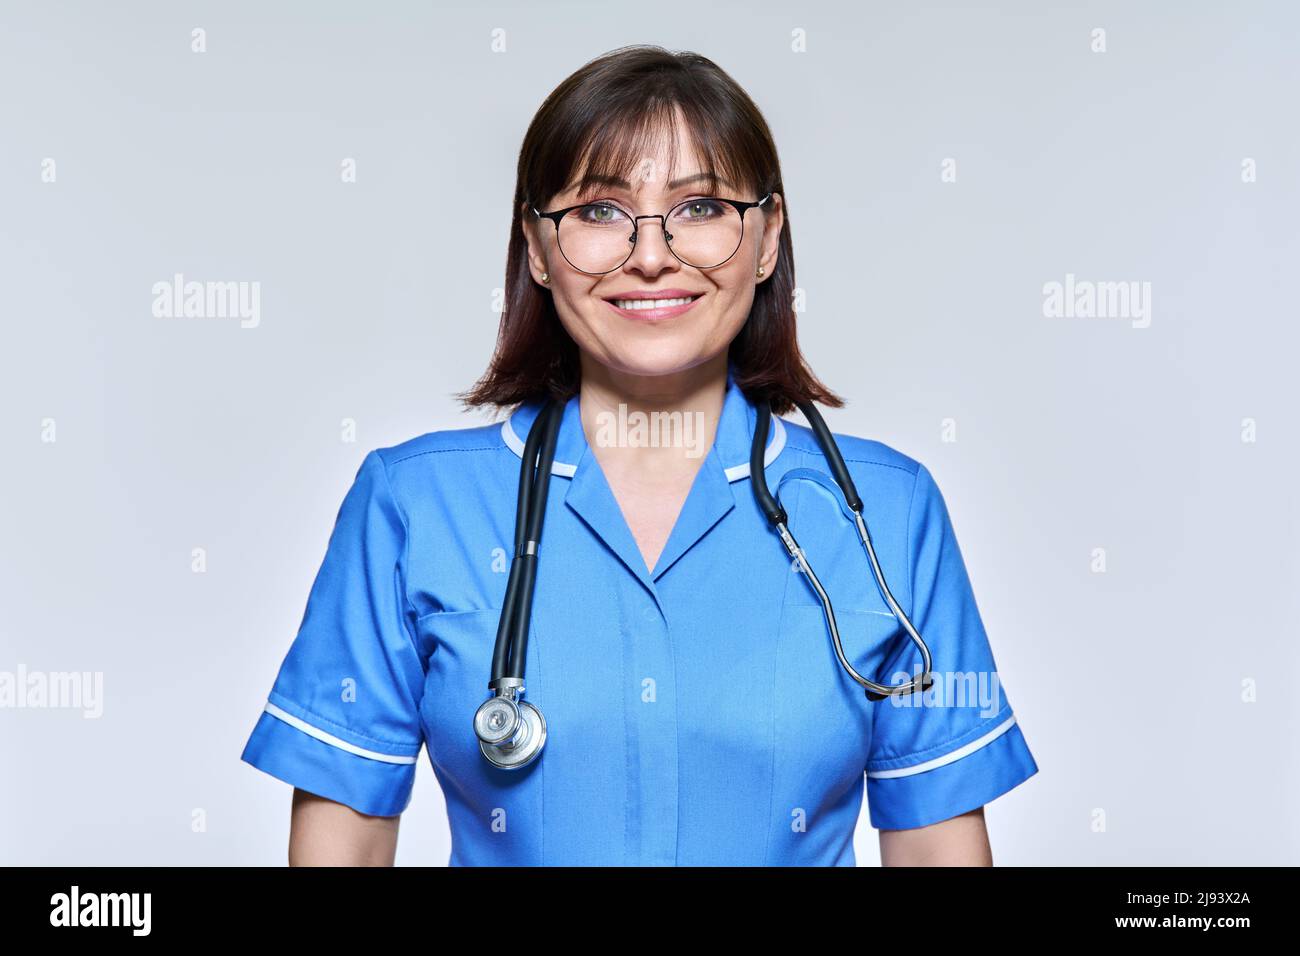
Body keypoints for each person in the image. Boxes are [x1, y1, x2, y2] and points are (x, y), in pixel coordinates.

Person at [240, 44, 1038, 866]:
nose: (650, 255)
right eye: (598, 211)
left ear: (766, 241)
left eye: (700, 208)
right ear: (538, 249)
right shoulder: (413, 505)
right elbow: (346, 845)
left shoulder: (888, 513)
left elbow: (937, 848)